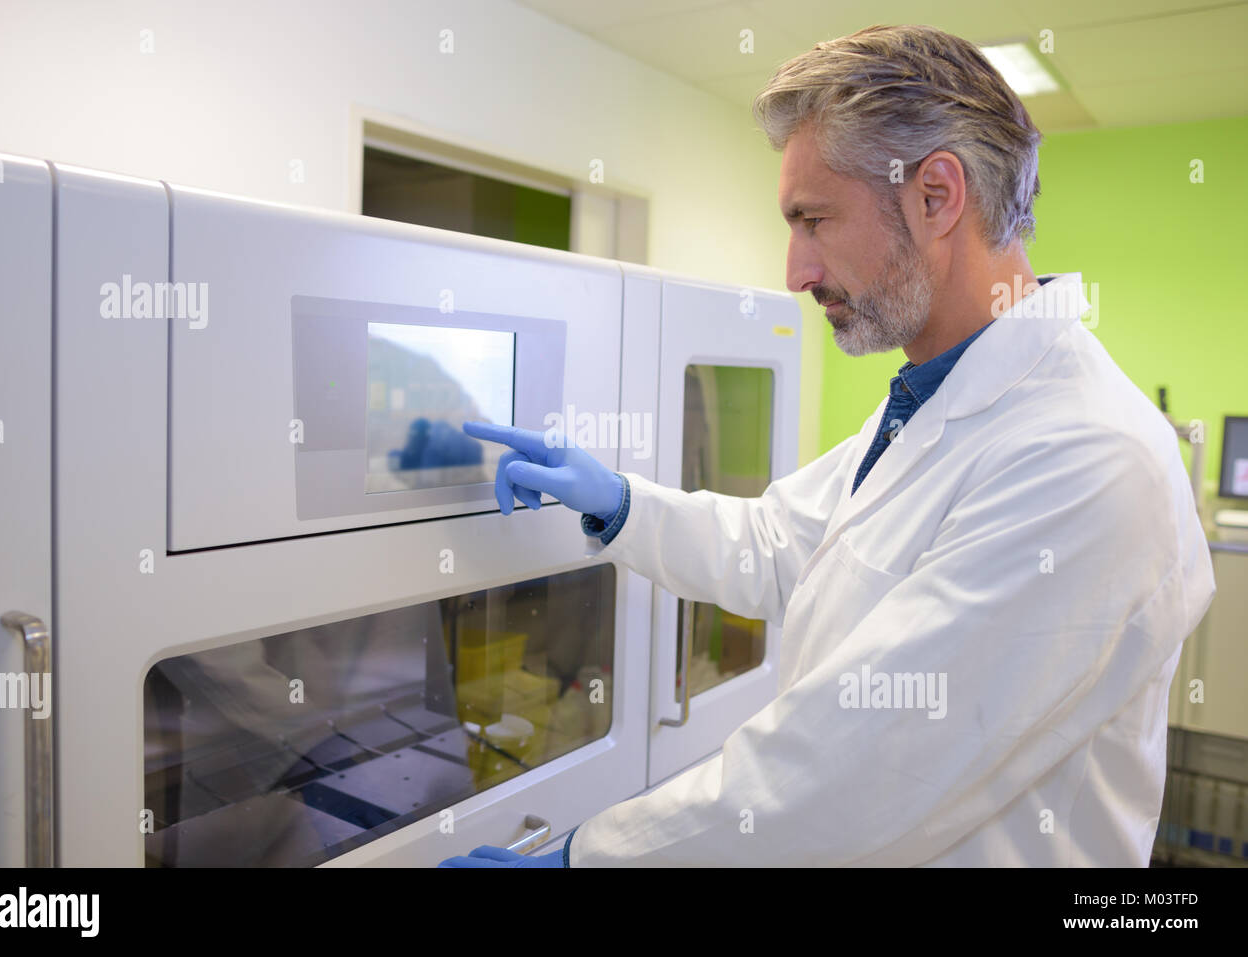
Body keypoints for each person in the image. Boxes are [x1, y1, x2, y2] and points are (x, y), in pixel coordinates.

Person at [439, 23, 1215, 868]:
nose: (795, 271)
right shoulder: (936, 397)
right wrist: (624, 504)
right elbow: (782, 544)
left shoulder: (1088, 456)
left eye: (814, 220)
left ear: (936, 196)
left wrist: (581, 859)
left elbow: (861, 768)